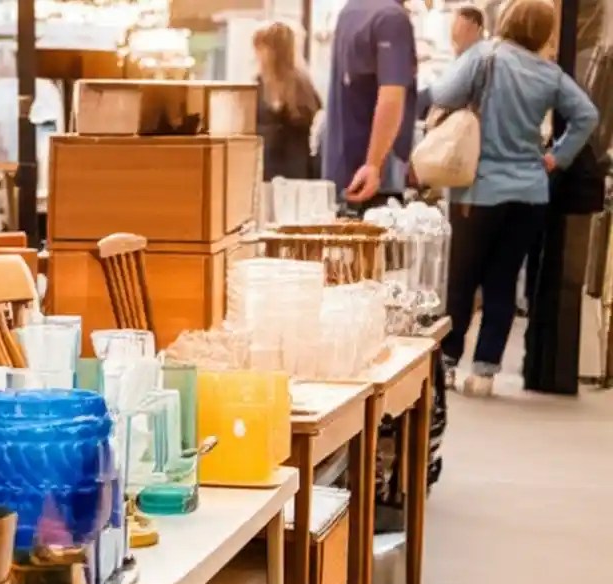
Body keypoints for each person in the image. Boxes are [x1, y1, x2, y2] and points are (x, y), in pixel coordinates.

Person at [430, 0, 598, 396]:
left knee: (461, 280)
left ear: (507, 20)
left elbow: (443, 92)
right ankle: (485, 372)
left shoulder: (484, 57)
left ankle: (448, 362)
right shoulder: (550, 74)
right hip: (529, 193)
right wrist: (557, 156)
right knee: (502, 282)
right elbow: (587, 115)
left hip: (478, 188)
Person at [322, 0, 419, 207]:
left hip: (341, 168)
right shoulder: (391, 18)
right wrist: (373, 164)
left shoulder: (350, 11)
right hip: (372, 179)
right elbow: (391, 96)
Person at [253, 21, 322, 180]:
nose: (257, 55)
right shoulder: (258, 86)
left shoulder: (302, 88)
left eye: (262, 47)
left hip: (292, 169)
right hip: (268, 168)